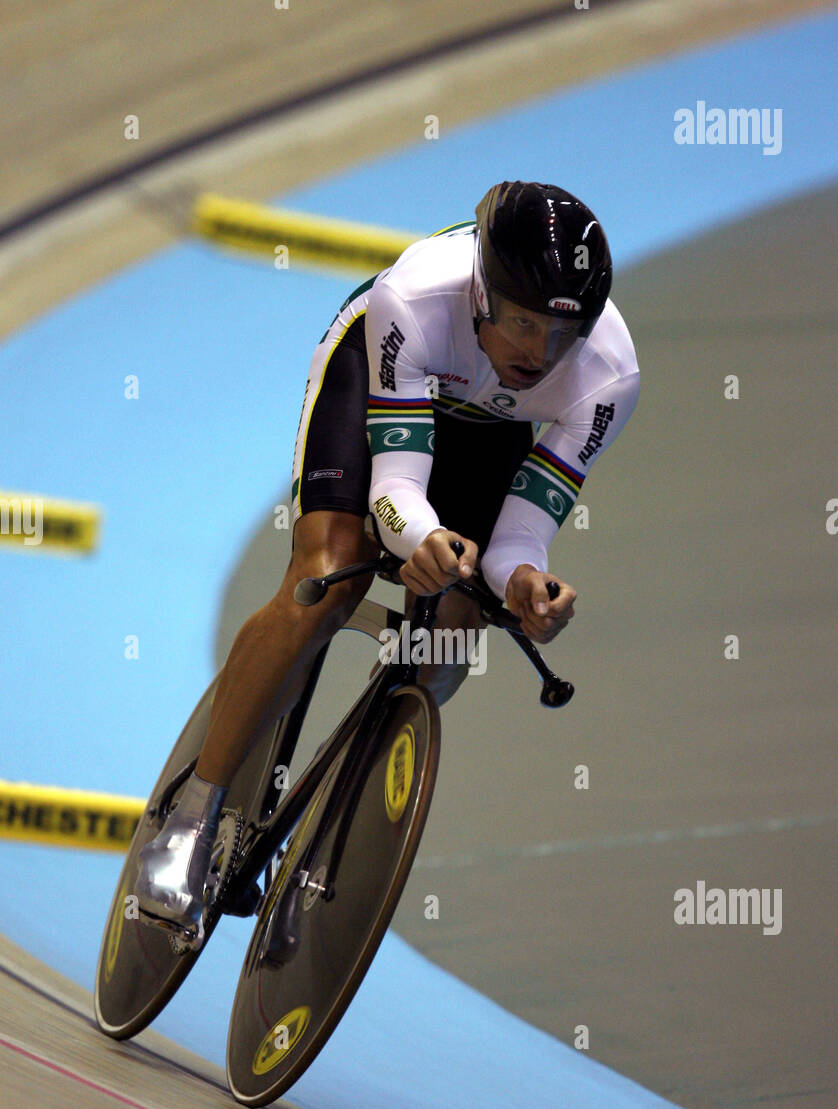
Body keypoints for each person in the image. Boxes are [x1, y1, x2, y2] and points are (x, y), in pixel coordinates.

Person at [134, 180, 640, 934]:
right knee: (325, 579)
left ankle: (322, 827)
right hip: (375, 373)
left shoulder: (609, 378)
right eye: (525, 324)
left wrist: (529, 586)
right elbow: (397, 488)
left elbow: (519, 542)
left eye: (561, 335)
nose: (539, 353)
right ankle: (191, 815)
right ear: (483, 293)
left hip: (485, 425)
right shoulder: (417, 296)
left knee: (447, 642)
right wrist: (420, 539)